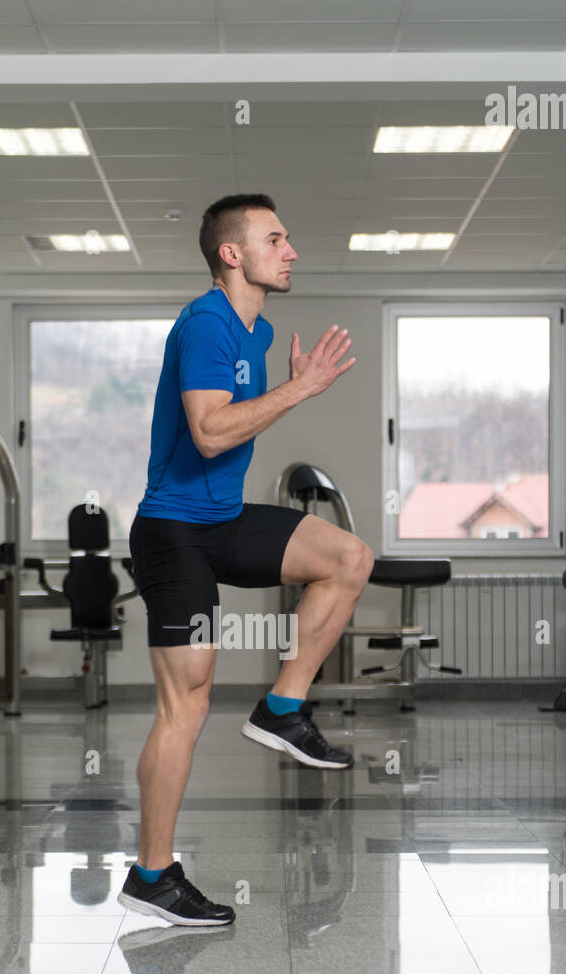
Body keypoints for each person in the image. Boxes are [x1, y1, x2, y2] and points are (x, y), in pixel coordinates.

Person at [118, 193, 374, 928]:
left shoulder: (251, 331)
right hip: (173, 532)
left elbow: (228, 427)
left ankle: (282, 709)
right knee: (188, 703)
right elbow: (207, 433)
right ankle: (152, 875)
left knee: (347, 557)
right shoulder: (206, 323)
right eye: (275, 239)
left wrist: (290, 388)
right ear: (232, 254)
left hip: (222, 522)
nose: (291, 251)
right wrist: (299, 389)